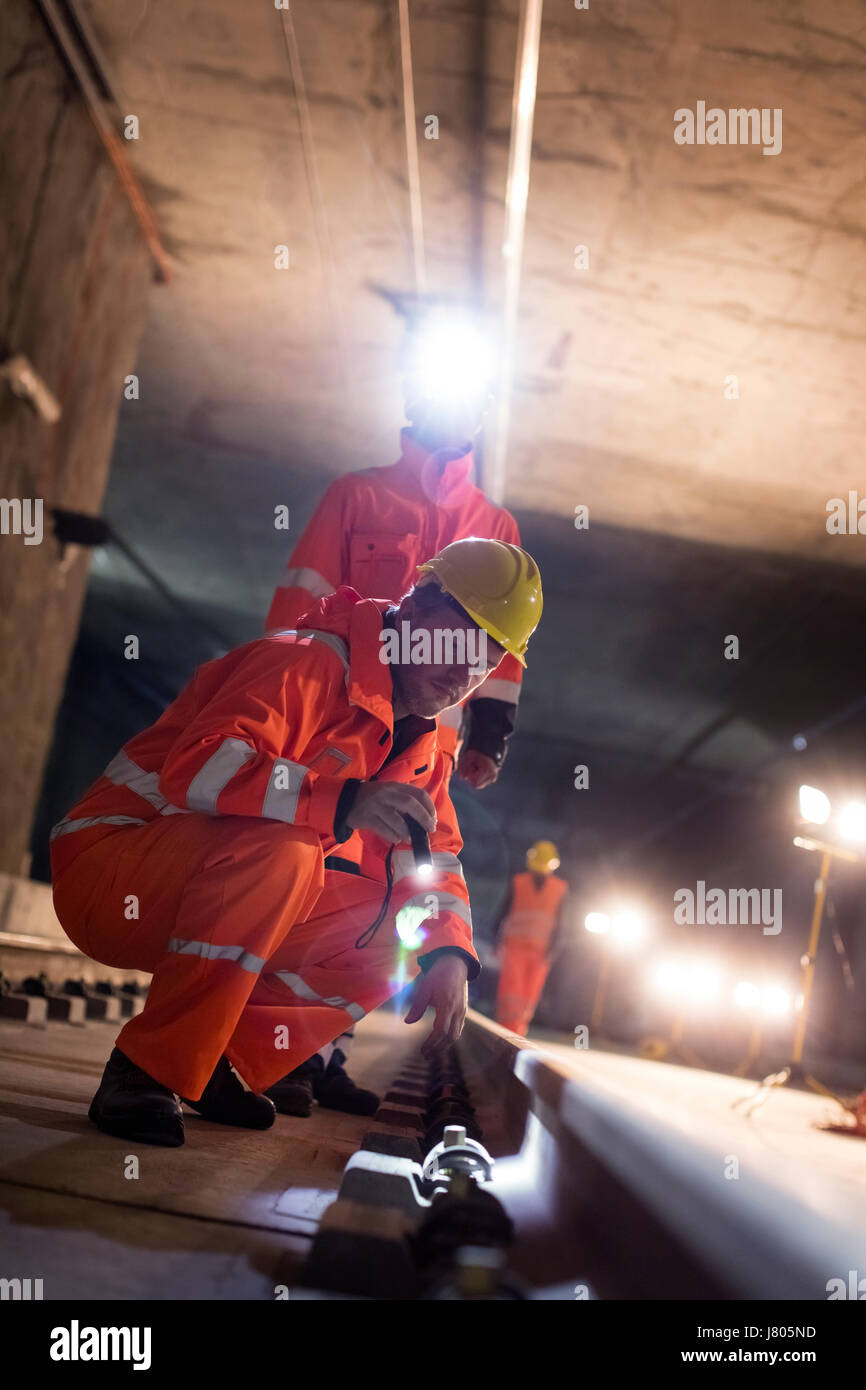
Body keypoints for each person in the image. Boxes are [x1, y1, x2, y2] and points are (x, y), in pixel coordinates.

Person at [50, 538, 543, 1146]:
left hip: (202, 887)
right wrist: (342, 801)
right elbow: (199, 766)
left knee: (402, 926)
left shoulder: (425, 744)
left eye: (485, 663)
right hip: (114, 868)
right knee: (287, 848)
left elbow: (435, 854)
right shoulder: (308, 663)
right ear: (416, 606)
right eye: (458, 644)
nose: (462, 675)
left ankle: (214, 1058)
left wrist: (448, 952)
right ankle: (148, 1067)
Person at [264, 309, 525, 1111]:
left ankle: (319, 1047)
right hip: (333, 720)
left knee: (389, 885)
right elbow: (300, 603)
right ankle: (270, 1038)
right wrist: (285, 697)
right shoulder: (357, 495)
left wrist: (489, 733)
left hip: (424, 747)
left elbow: (505, 651)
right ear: (415, 395)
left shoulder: (496, 528)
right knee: (307, 862)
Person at [494, 840, 567, 1037]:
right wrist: (496, 939)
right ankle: (507, 1032)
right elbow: (503, 911)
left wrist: (553, 950)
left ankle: (518, 1033)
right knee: (512, 992)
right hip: (514, 948)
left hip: (541, 952)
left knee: (529, 996)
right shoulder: (518, 882)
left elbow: (560, 923)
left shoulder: (559, 889)